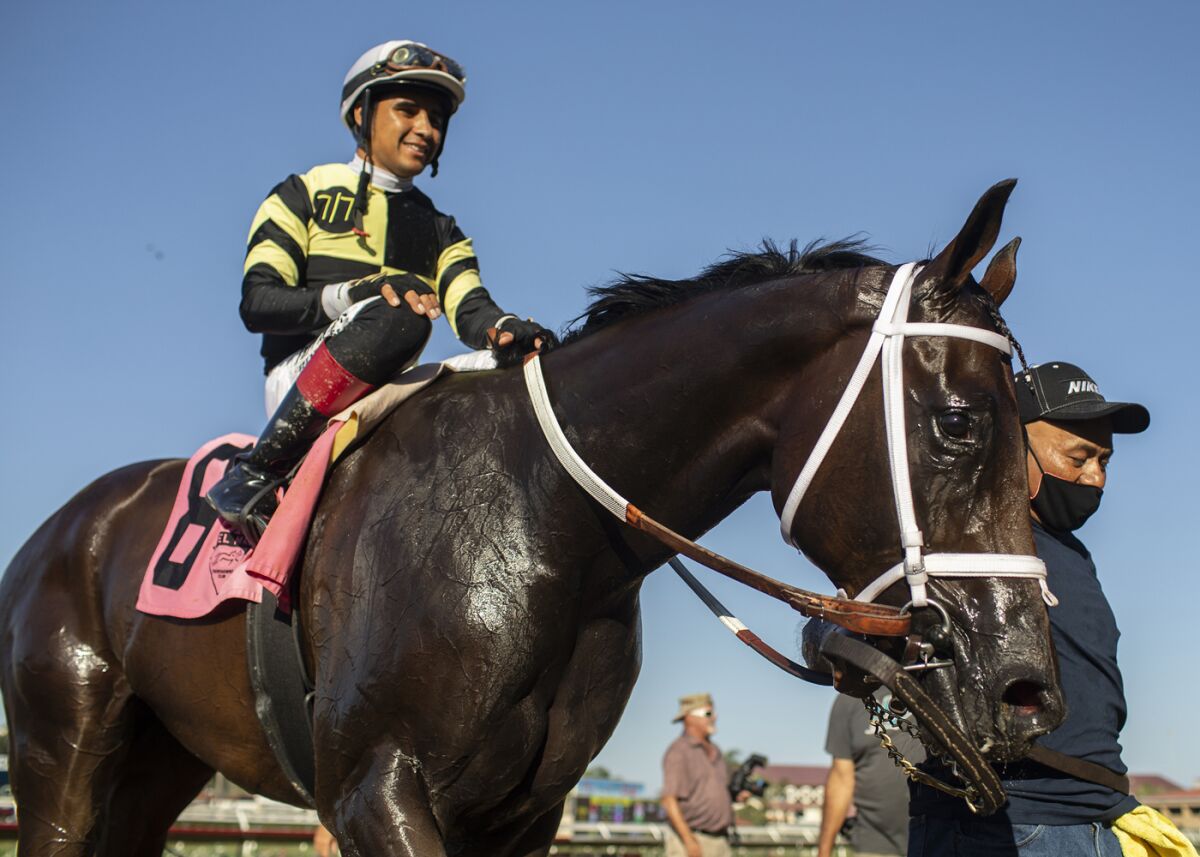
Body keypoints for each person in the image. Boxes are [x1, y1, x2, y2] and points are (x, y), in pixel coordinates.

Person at [206, 40, 552, 542]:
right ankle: (254, 472)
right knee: (399, 316)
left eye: (436, 120)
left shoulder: (443, 230)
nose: (425, 130)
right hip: (301, 379)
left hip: (394, 379)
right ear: (362, 114)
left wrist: (507, 330)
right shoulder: (300, 193)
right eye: (407, 111)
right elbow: (259, 304)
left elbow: (471, 309)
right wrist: (360, 291)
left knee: (528, 365)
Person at [908, 361, 1192, 856]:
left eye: (1105, 460)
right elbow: (844, 621)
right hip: (1009, 826)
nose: (1096, 477)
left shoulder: (1072, 553)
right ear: (1012, 445)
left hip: (1095, 824)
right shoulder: (957, 537)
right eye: (1079, 456)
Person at [819, 688, 925, 857]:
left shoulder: (934, 684)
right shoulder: (850, 698)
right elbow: (841, 780)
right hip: (875, 843)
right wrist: (823, 852)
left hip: (941, 838)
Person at [661, 693, 738, 857]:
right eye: (708, 714)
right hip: (692, 841)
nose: (714, 718)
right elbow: (669, 800)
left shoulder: (715, 750)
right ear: (689, 718)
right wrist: (689, 841)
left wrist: (738, 795)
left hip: (720, 841)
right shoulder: (679, 751)